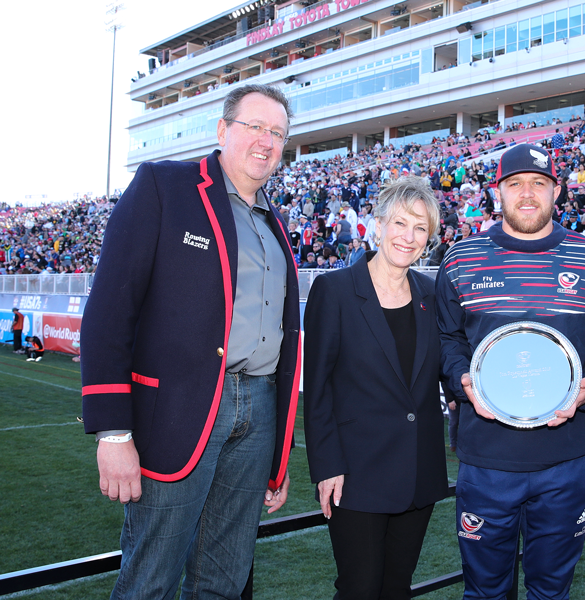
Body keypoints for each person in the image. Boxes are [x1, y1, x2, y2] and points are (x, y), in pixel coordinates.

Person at [80, 84, 302, 599]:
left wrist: (280, 454)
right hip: (181, 409)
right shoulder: (165, 185)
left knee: (224, 581)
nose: (267, 141)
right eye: (255, 126)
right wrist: (113, 433)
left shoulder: (275, 221)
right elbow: (111, 309)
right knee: (150, 579)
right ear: (223, 130)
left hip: (260, 408)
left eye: (278, 133)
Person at [436, 143, 585, 599]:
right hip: (486, 462)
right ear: (497, 192)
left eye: (539, 183)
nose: (527, 193)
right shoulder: (461, 259)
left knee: (551, 591)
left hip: (565, 460)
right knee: (484, 592)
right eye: (515, 183)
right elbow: (447, 339)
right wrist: (464, 380)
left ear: (557, 191)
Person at [304, 176, 448, 599]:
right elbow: (317, 389)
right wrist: (326, 465)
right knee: (359, 588)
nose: (409, 237)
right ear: (378, 224)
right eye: (400, 223)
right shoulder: (335, 290)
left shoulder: (431, 293)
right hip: (356, 473)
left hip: (418, 472)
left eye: (420, 228)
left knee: (396, 589)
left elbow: (447, 368)